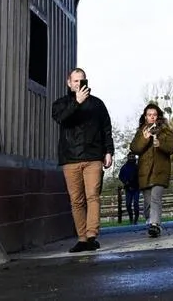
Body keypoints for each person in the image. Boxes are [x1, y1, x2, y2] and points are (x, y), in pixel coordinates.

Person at [51, 67, 114, 253]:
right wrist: (76, 103)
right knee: (76, 200)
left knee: (93, 196)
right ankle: (82, 238)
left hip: (93, 157)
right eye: (75, 81)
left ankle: (92, 234)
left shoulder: (97, 104)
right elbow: (61, 119)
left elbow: (106, 128)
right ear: (69, 83)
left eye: (82, 80)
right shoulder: (61, 103)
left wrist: (108, 151)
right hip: (70, 158)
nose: (79, 84)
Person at [129, 103, 173, 238]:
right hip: (144, 173)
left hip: (160, 171)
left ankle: (155, 225)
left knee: (156, 198)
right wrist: (144, 139)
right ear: (145, 117)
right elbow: (134, 148)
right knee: (148, 201)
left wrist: (160, 144)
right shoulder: (141, 131)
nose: (152, 117)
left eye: (154, 115)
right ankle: (150, 222)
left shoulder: (165, 130)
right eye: (149, 115)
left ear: (158, 116)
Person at [118, 154, 141, 225]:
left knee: (136, 204)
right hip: (128, 189)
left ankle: (136, 219)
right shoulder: (124, 167)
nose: (131, 158)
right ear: (128, 157)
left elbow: (141, 176)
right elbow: (120, 176)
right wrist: (125, 181)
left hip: (136, 188)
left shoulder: (137, 167)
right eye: (130, 157)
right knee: (128, 204)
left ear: (134, 157)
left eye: (132, 157)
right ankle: (131, 218)